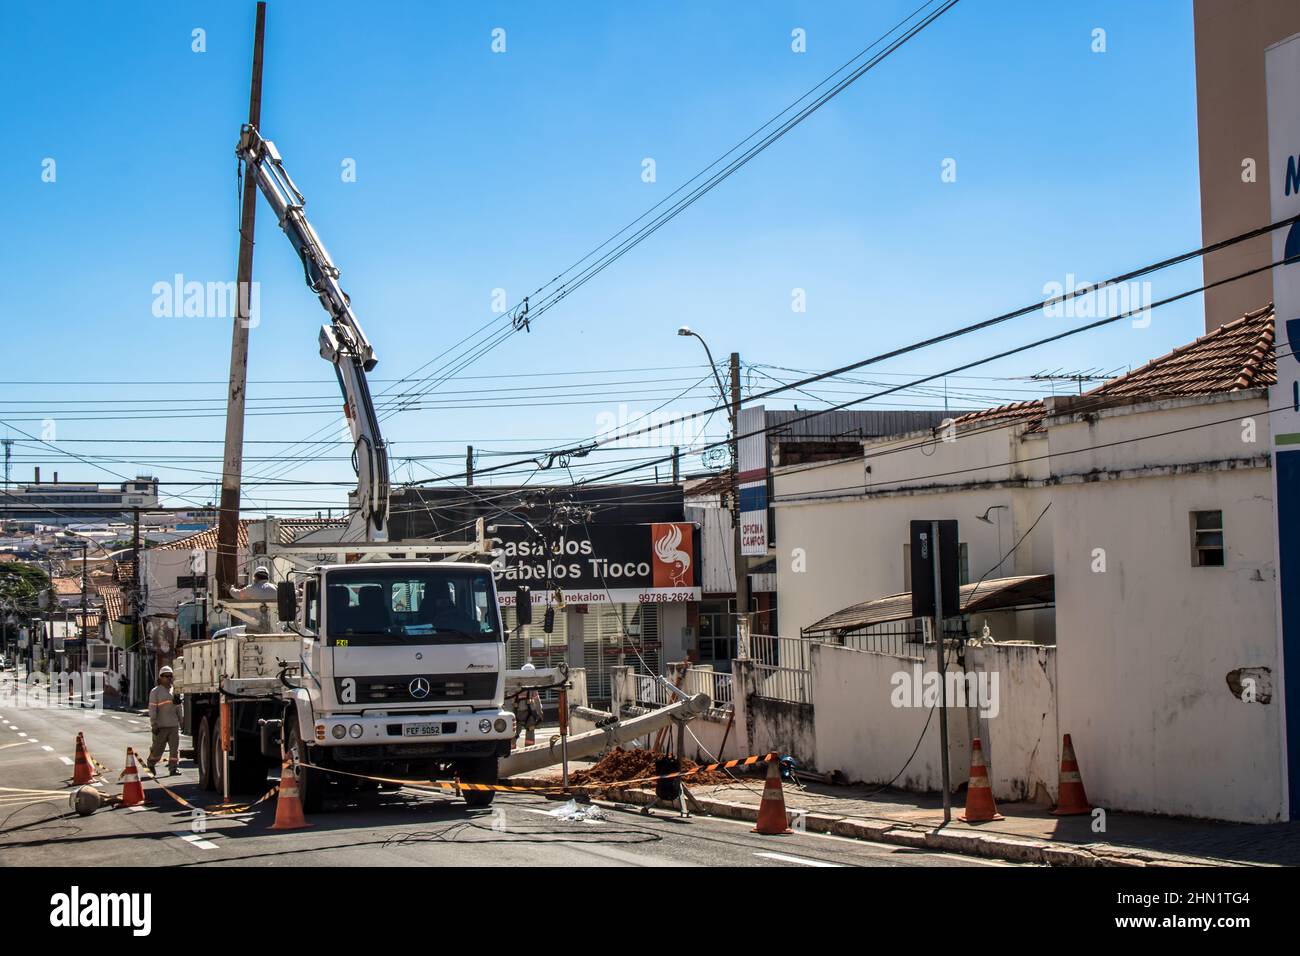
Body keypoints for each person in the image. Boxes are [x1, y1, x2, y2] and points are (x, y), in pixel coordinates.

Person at [146, 665, 182, 776]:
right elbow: (152, 708)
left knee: (174, 749)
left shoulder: (175, 690)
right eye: (166, 676)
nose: (169, 678)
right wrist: (154, 724)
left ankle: (173, 768)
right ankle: (151, 763)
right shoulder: (155, 692)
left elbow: (179, 707)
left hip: (173, 725)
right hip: (161, 726)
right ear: (160, 677)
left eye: (171, 676)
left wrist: (182, 720)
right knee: (158, 749)